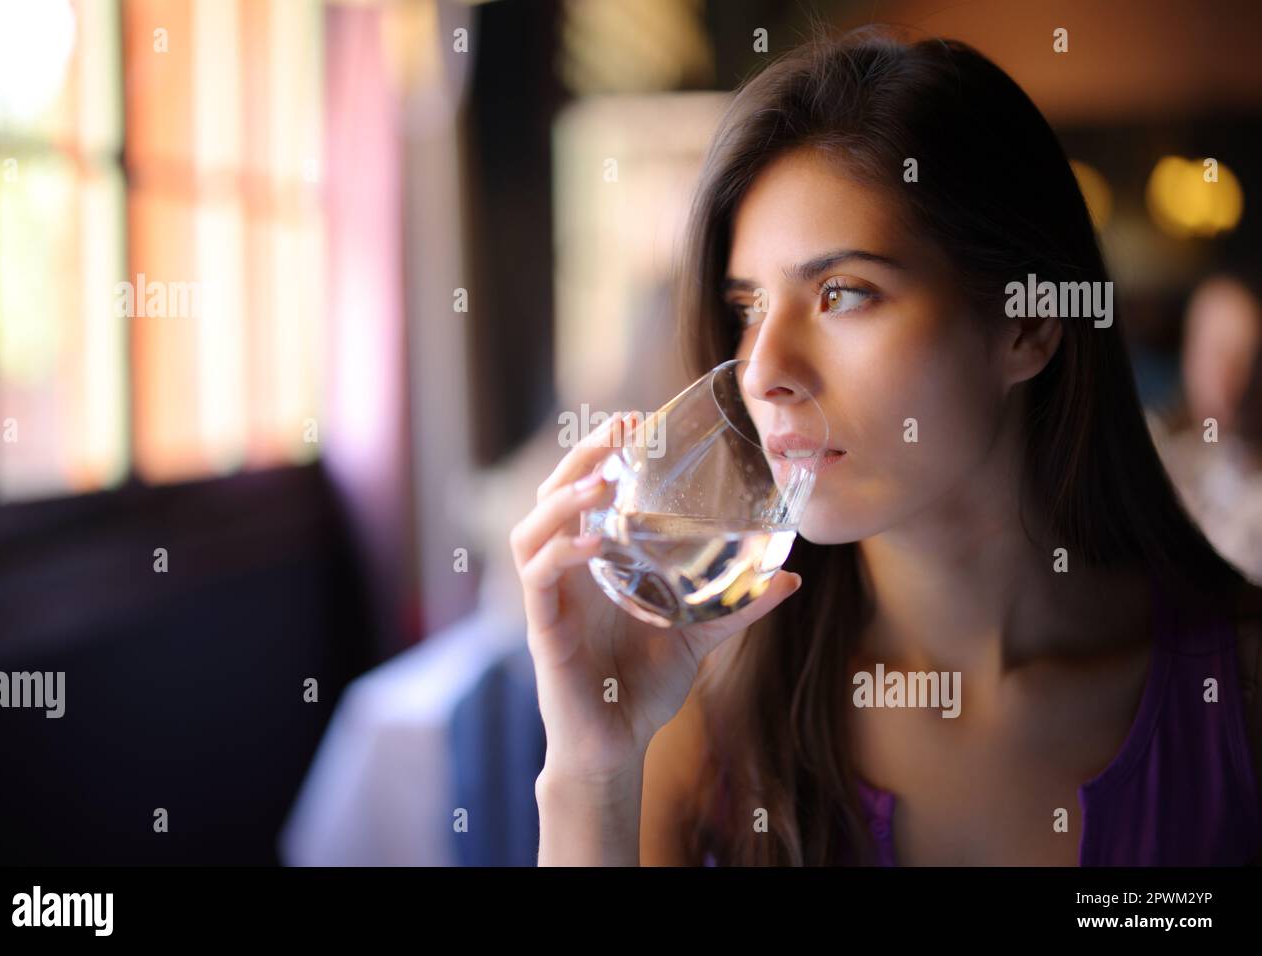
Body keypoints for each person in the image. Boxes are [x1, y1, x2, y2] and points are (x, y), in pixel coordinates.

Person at [509, 26, 1262, 866]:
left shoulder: (1239, 690)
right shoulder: (704, 714)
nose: (763, 372)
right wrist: (590, 767)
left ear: (1029, 322)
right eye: (749, 306)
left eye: (843, 293)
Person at [1149, 275, 1262, 584]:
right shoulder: (1149, 453)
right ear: (1188, 351)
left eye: (1242, 357)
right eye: (1215, 352)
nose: (1226, 376)